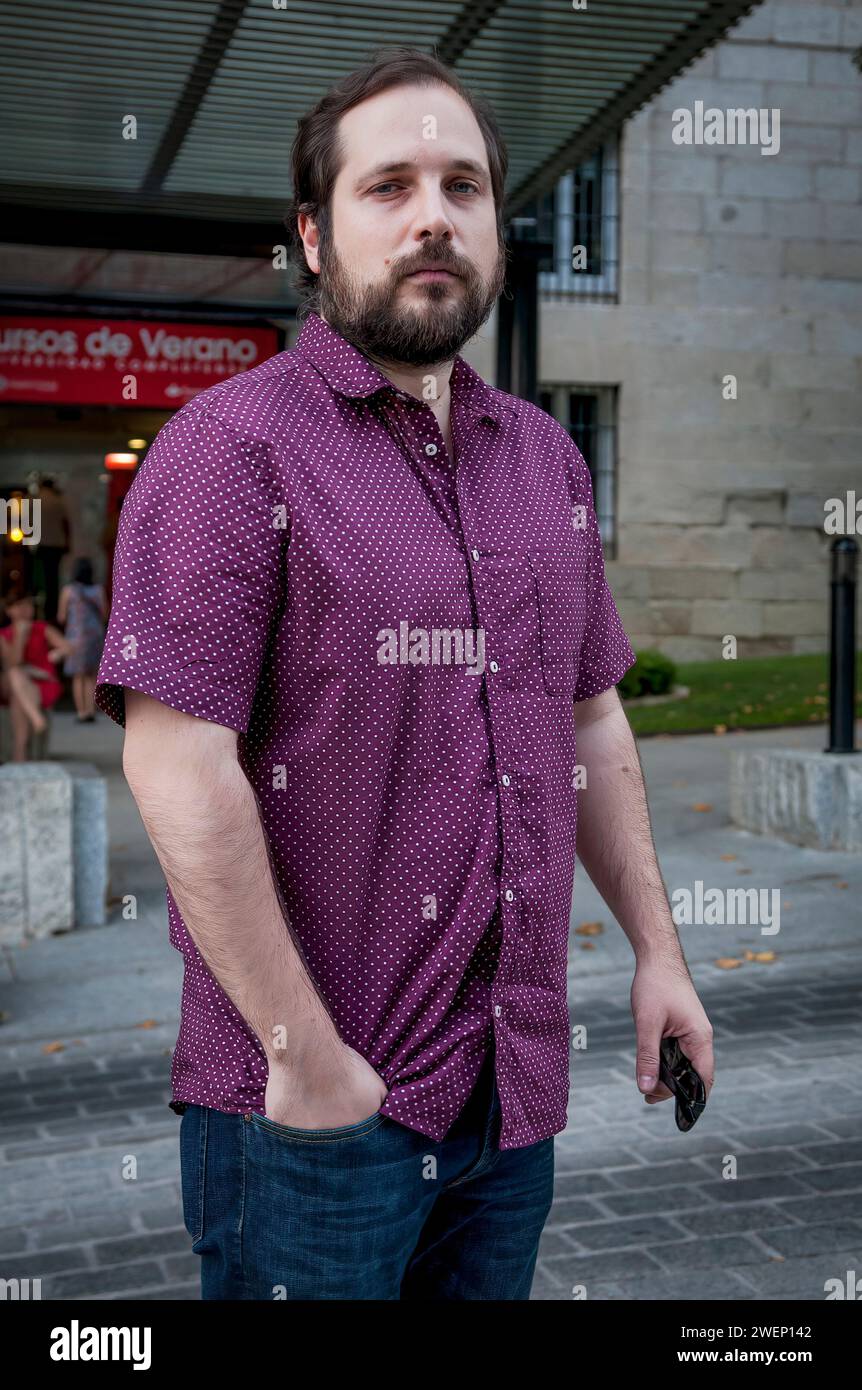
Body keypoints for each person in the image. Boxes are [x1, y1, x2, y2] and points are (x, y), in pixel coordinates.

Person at [93, 47, 714, 1301]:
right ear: (314, 239)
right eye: (389, 187)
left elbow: (589, 719)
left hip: (509, 1098)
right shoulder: (231, 450)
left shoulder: (543, 459)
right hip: (311, 1120)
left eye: (463, 186)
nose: (433, 214)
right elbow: (173, 760)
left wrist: (661, 953)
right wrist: (306, 1058)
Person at [0, 592, 69, 761]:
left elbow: (67, 647)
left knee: (18, 700)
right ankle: (36, 719)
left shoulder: (42, 628)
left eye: (28, 605)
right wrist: (20, 637)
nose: (24, 610)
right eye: (19, 606)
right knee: (15, 675)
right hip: (15, 683)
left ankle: (19, 758)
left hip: (41, 683)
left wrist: (57, 653)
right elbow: (14, 663)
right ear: (9, 610)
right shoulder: (3, 634)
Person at [57, 557, 107, 722]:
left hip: (75, 637)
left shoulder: (68, 591)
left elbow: (62, 617)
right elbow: (105, 614)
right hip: (94, 637)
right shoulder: (98, 590)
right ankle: (91, 711)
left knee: (78, 676)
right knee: (92, 675)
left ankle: (81, 712)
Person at [32, 476, 71, 624]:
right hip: (57, 545)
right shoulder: (58, 500)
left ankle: (37, 610)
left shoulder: (35, 499)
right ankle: (52, 612)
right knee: (53, 580)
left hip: (40, 544)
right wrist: (68, 543)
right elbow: (66, 524)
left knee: (39, 578)